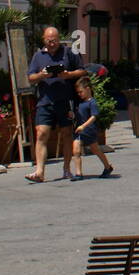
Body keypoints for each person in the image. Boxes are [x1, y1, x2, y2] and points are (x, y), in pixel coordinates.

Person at [25, 26, 85, 183]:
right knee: (41, 134)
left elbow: (82, 71)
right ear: (44, 39)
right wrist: (41, 75)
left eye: (55, 40)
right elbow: (30, 77)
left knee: (66, 134)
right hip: (45, 101)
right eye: (49, 40)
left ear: (59, 39)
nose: (52, 43)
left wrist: (68, 75)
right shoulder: (38, 56)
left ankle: (66, 169)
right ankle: (39, 171)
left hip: (65, 101)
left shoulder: (69, 52)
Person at [70, 76, 114, 181]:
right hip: (78, 131)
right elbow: (78, 115)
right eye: (78, 93)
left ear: (88, 89)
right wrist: (72, 115)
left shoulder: (92, 102)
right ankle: (78, 173)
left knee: (96, 150)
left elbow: (93, 117)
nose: (79, 94)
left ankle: (108, 167)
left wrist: (83, 126)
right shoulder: (80, 103)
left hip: (89, 131)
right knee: (76, 151)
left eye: (81, 92)